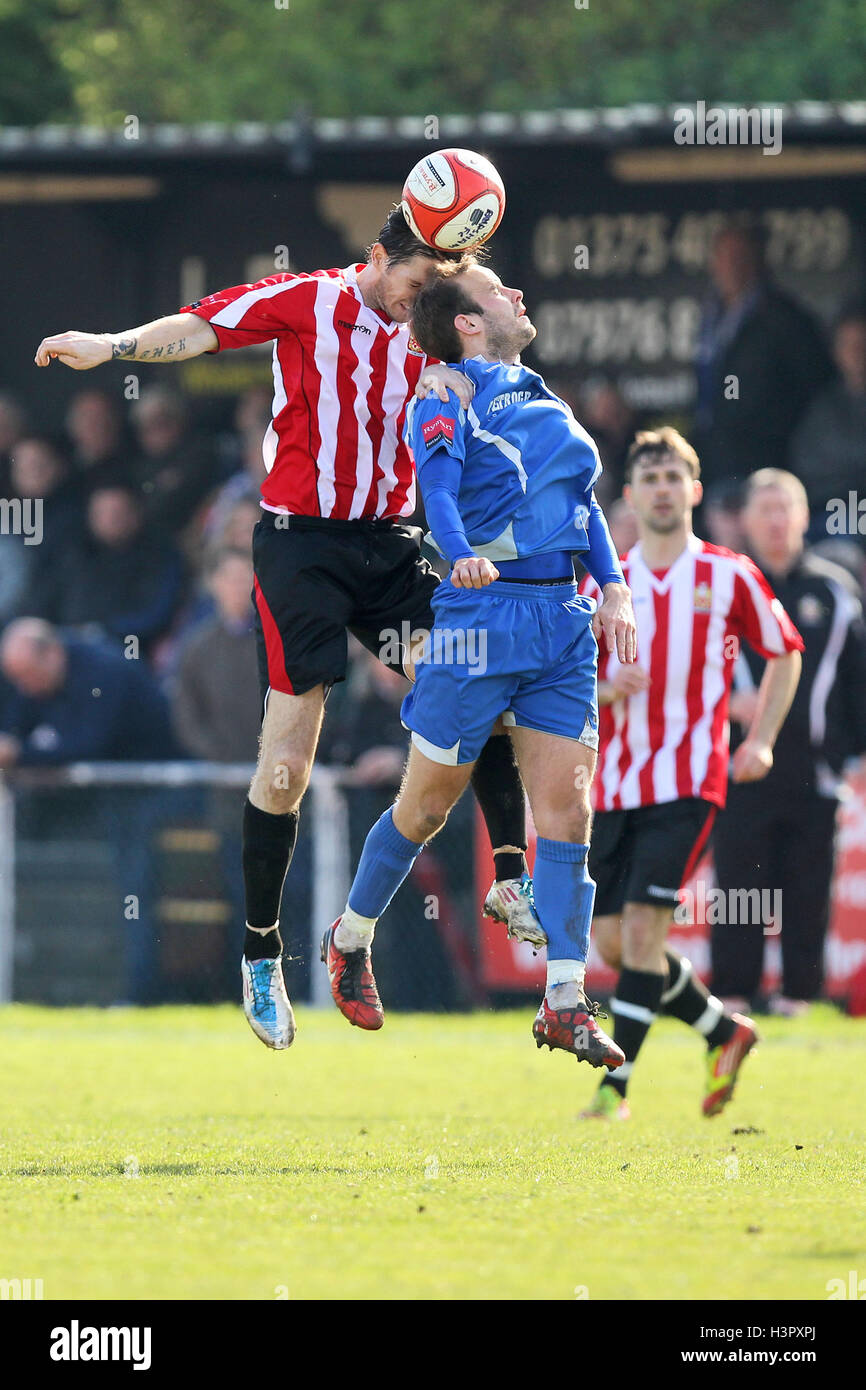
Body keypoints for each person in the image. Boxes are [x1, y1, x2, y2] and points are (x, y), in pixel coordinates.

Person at [34, 207, 535, 1049]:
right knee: (284, 766)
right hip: (301, 549)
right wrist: (112, 345)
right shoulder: (309, 301)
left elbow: (501, 362)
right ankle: (261, 956)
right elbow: (201, 328)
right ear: (376, 259)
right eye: (413, 285)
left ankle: (512, 876)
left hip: (388, 546)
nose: (421, 306)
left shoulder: (436, 328)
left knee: (472, 684)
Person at [319, 260, 637, 1068]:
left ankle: (564, 1001)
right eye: (501, 291)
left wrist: (615, 588)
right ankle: (351, 935)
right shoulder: (445, 392)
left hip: (562, 623)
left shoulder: (543, 395)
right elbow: (437, 482)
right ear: (467, 322)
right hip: (480, 620)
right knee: (424, 809)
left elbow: (582, 504)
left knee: (567, 815)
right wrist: (457, 554)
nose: (519, 295)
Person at [577, 429, 803, 1120]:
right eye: (651, 478)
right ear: (631, 496)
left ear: (695, 491)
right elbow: (562, 672)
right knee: (613, 943)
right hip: (613, 782)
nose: (664, 489)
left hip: (688, 777)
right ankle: (722, 1030)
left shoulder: (727, 573)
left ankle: (616, 1086)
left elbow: (785, 651)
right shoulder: (603, 581)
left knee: (645, 930)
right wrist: (602, 691)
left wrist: (760, 738)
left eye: (675, 477)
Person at [712, 469, 866, 1015]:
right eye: (765, 510)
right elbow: (687, 671)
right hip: (735, 766)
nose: (776, 521)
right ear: (746, 520)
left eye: (786, 509)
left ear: (803, 516)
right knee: (737, 884)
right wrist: (728, 708)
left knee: (807, 884)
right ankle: (733, 994)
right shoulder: (726, 587)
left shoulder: (834, 591)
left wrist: (847, 755)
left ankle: (799, 995)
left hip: (813, 770)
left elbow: (855, 681)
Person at [693, 223, 834, 489]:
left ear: (758, 259)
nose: (732, 265)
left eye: (740, 256)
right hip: (715, 456)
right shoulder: (711, 316)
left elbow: (815, 387)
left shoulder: (785, 318)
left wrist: (776, 430)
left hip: (769, 459)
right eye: (724, 256)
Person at [789, 306, 866, 532]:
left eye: (862, 343)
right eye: (847, 344)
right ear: (835, 351)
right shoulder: (821, 406)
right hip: (829, 512)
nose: (856, 352)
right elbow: (807, 465)